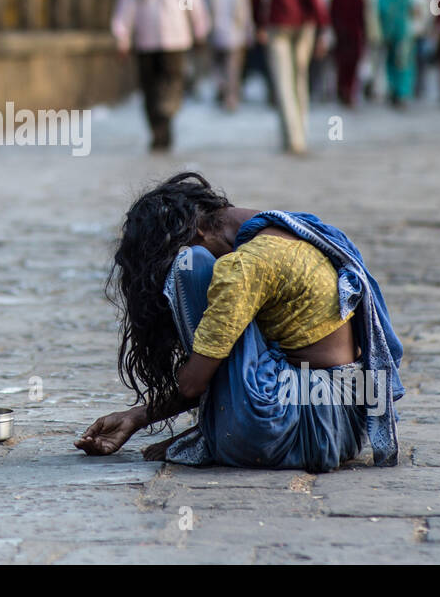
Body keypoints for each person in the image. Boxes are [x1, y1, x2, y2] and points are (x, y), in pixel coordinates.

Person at [75, 173, 403, 471]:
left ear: (197, 228)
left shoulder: (244, 266)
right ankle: (217, 432)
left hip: (293, 427)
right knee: (220, 329)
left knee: (191, 266)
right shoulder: (288, 231)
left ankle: (219, 436)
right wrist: (134, 418)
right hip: (345, 424)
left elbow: (194, 383)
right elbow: (222, 366)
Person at [111, 0, 211, 151]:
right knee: (172, 80)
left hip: (145, 35)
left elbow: (127, 1)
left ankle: (158, 128)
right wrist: (198, 28)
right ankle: (166, 115)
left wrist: (122, 35)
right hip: (176, 35)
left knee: (149, 85)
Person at [250, 0, 328, 154]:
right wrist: (323, 29)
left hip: (278, 23)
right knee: (300, 78)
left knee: (283, 81)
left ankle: (291, 138)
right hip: (305, 24)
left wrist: (258, 24)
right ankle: (301, 135)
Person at [205, 0, 252, 112]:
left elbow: (206, 11)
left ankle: (222, 89)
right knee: (233, 69)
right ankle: (231, 98)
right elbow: (245, 14)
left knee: (217, 66)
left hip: (215, 33)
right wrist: (248, 33)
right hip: (236, 35)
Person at [330, 0, 366, 107]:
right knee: (352, 66)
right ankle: (349, 91)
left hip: (340, 36)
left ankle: (343, 89)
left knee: (341, 66)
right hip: (354, 36)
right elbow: (362, 18)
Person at [378, 0, 415, 106]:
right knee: (403, 63)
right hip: (404, 34)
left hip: (390, 34)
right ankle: (401, 92)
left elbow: (383, 11)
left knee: (393, 62)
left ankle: (394, 90)